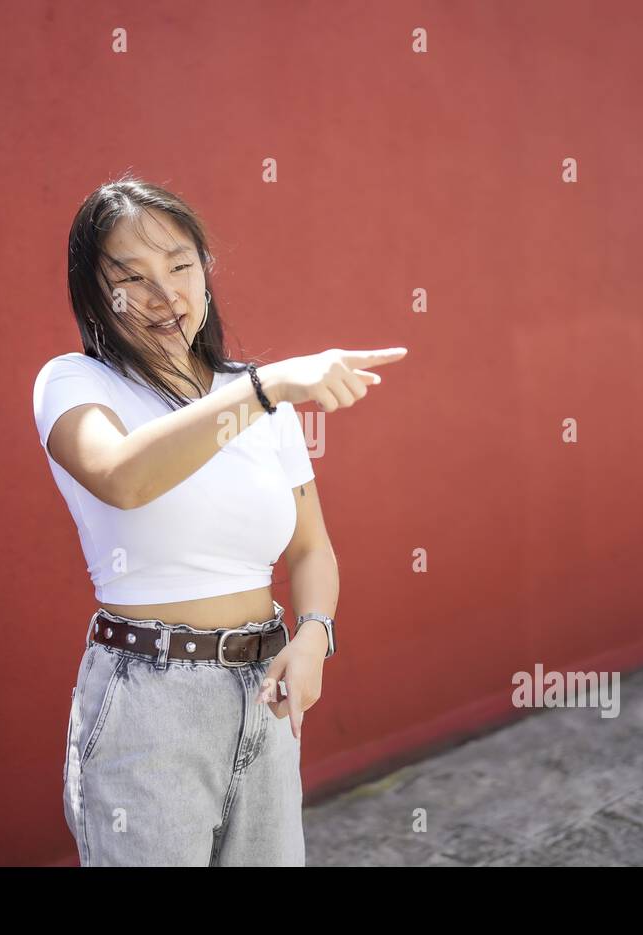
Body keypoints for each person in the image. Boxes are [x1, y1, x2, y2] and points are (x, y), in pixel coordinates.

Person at [32, 176, 407, 866]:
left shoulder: (259, 396)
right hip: (149, 701)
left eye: (179, 265)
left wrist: (315, 635)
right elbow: (123, 477)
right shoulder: (75, 384)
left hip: (264, 693)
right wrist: (268, 388)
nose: (164, 293)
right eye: (132, 277)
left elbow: (311, 549)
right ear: (94, 293)